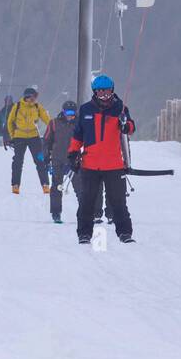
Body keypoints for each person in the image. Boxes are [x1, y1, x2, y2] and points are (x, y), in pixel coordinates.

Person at [68, 74, 136, 244]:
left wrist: (124, 124)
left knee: (118, 202)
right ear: (95, 92)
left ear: (112, 91)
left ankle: (125, 233)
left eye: (106, 91)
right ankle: (84, 234)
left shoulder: (120, 108)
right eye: (100, 92)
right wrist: (73, 153)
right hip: (90, 165)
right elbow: (78, 135)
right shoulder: (85, 110)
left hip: (114, 165)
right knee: (87, 202)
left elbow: (130, 128)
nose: (104, 95)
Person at [4, 86, 51, 195]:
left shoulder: (37, 107)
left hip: (34, 137)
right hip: (19, 137)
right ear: (27, 97)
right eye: (33, 97)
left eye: (35, 97)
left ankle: (45, 184)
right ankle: (15, 185)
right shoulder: (17, 106)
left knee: (40, 160)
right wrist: (13, 136)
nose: (34, 99)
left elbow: (47, 119)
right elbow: (10, 122)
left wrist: (53, 129)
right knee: (17, 162)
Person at [43, 100, 78, 224]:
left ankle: (85, 213)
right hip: (58, 159)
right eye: (68, 112)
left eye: (73, 113)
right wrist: (46, 156)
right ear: (63, 112)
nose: (70, 115)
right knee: (57, 186)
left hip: (74, 160)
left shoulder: (79, 124)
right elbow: (46, 141)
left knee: (80, 187)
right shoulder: (54, 123)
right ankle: (56, 213)